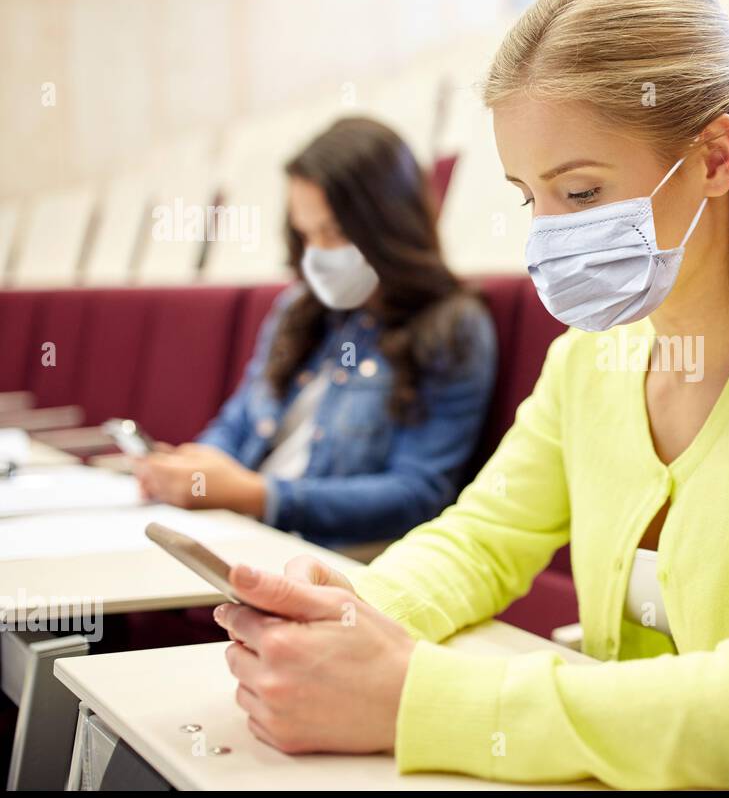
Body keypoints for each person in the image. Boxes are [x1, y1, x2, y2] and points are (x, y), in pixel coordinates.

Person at [213, 0, 729, 790]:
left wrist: (416, 697)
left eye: (581, 190)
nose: (548, 239)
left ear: (714, 157)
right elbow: (481, 541)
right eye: (531, 198)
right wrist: (348, 616)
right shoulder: (594, 356)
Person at [133, 117, 496, 547]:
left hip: (331, 557)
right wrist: (195, 468)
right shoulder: (298, 309)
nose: (318, 254)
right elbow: (238, 421)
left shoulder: (453, 328)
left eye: (336, 232)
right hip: (240, 533)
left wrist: (257, 496)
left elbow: (417, 495)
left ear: (390, 226)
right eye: (307, 235)